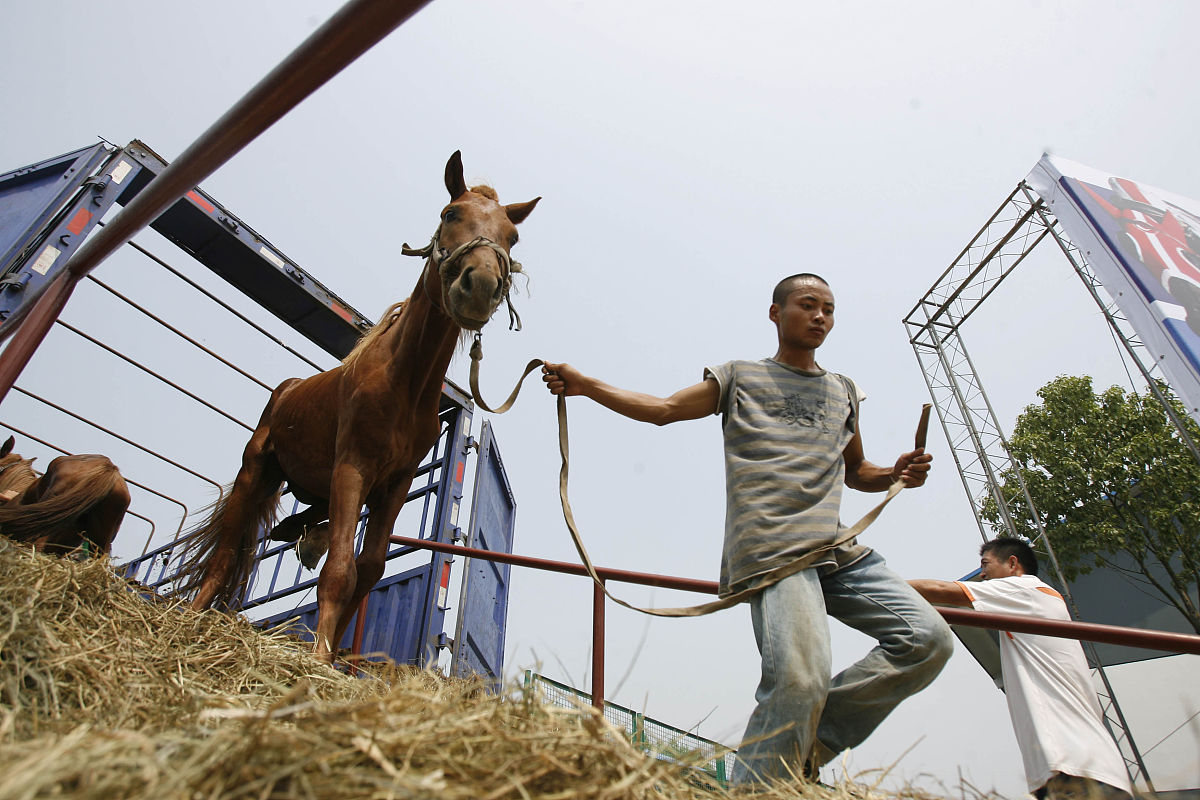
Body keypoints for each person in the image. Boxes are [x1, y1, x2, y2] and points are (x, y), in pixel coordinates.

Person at [542, 273, 953, 785]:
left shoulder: (844, 390)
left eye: (828, 309)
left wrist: (896, 473)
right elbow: (664, 410)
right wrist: (587, 386)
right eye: (808, 305)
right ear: (776, 313)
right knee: (799, 681)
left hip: (838, 549)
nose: (820, 317)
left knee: (928, 639)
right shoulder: (739, 376)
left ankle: (810, 742)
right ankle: (761, 785)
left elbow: (857, 471)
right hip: (775, 549)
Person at [909, 537, 1134, 800]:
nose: (982, 574)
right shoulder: (1027, 604)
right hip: (1075, 766)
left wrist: (876, 583)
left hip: (1076, 764)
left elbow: (940, 590)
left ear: (1012, 564)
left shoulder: (1024, 589)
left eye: (986, 564)